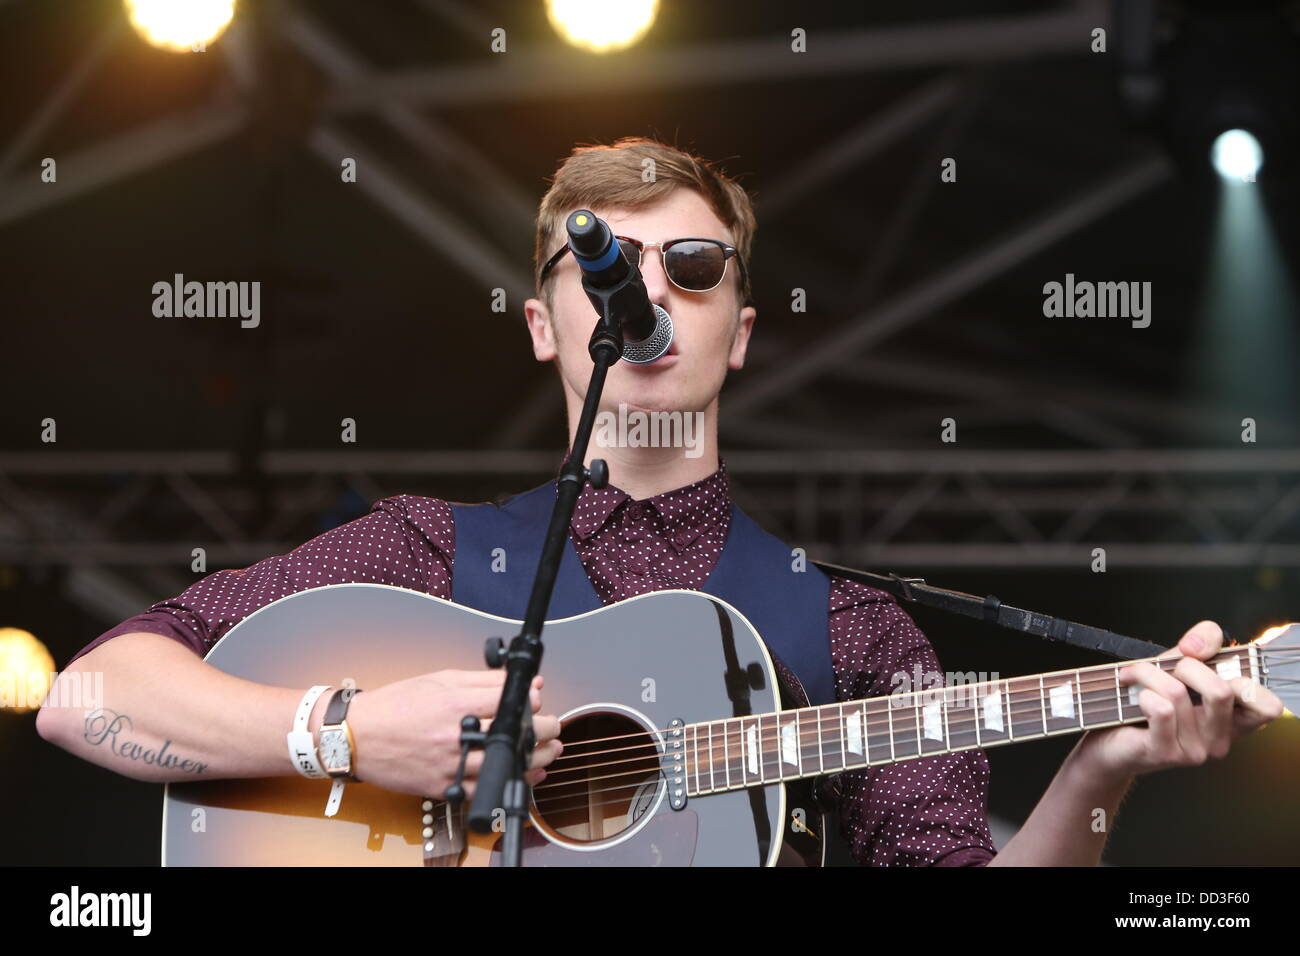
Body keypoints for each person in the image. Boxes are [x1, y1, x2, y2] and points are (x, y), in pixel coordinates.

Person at [37, 137, 1284, 866]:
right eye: (603, 269)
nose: (646, 296)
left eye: (691, 268)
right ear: (544, 325)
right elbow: (90, 697)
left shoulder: (849, 629)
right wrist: (348, 735)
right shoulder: (417, 549)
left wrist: (1098, 771)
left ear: (739, 332)